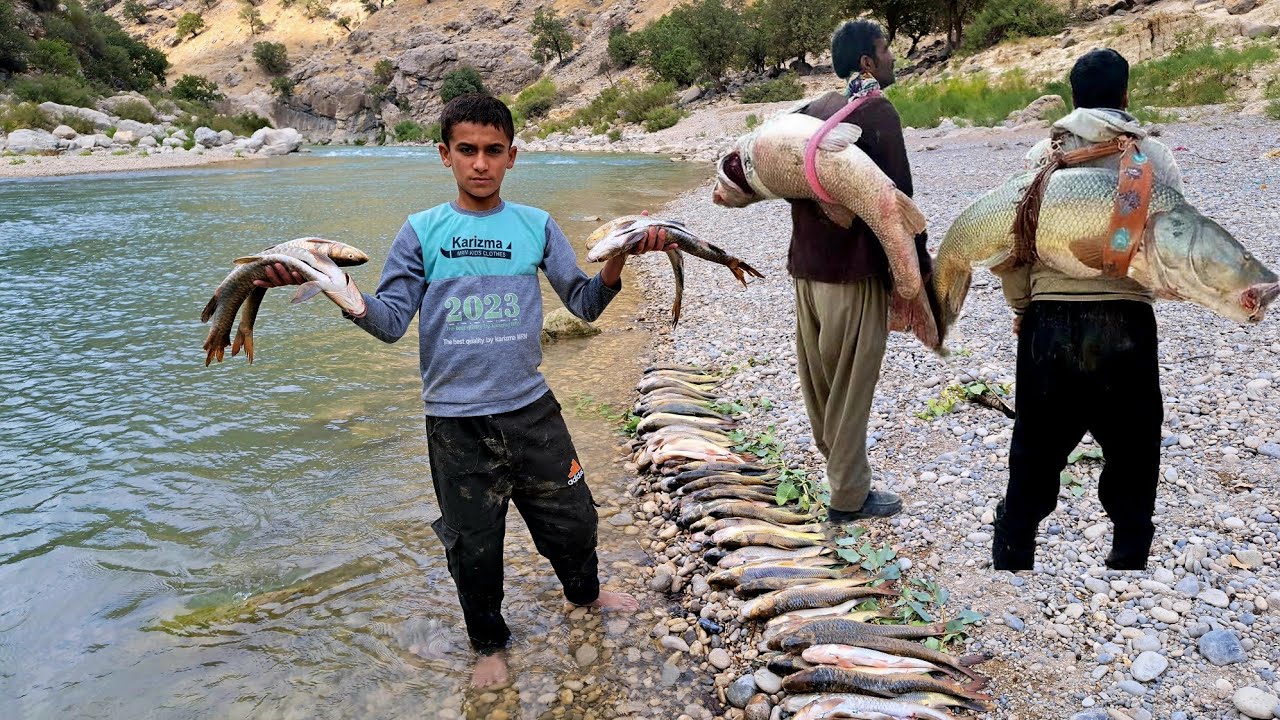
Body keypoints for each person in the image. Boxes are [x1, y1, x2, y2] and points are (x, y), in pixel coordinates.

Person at [255, 93, 670, 687]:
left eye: (493, 152)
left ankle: (585, 595)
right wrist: (336, 288)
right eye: (468, 151)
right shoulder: (422, 231)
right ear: (444, 155)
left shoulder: (537, 225)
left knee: (573, 520)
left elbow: (582, 304)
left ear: (512, 157)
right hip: (455, 424)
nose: (480, 163)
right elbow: (392, 321)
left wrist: (616, 265)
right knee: (474, 544)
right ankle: (488, 645)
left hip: (532, 412)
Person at [992, 49, 1183, 571]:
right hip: (1125, 321)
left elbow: (1017, 239)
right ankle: (1127, 558)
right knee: (1135, 445)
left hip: (1048, 322)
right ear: (1125, 95)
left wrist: (1021, 305)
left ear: (1072, 99)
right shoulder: (1153, 157)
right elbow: (1167, 244)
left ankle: (1013, 554)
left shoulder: (1042, 155)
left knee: (1035, 444)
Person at [787, 19, 931, 523]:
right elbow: (899, 202)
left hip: (805, 272)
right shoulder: (877, 112)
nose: (893, 58)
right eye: (886, 50)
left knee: (823, 384)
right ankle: (849, 497)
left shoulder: (810, 111)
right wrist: (918, 277)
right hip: (853, 274)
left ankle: (841, 471)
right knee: (852, 386)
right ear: (867, 62)